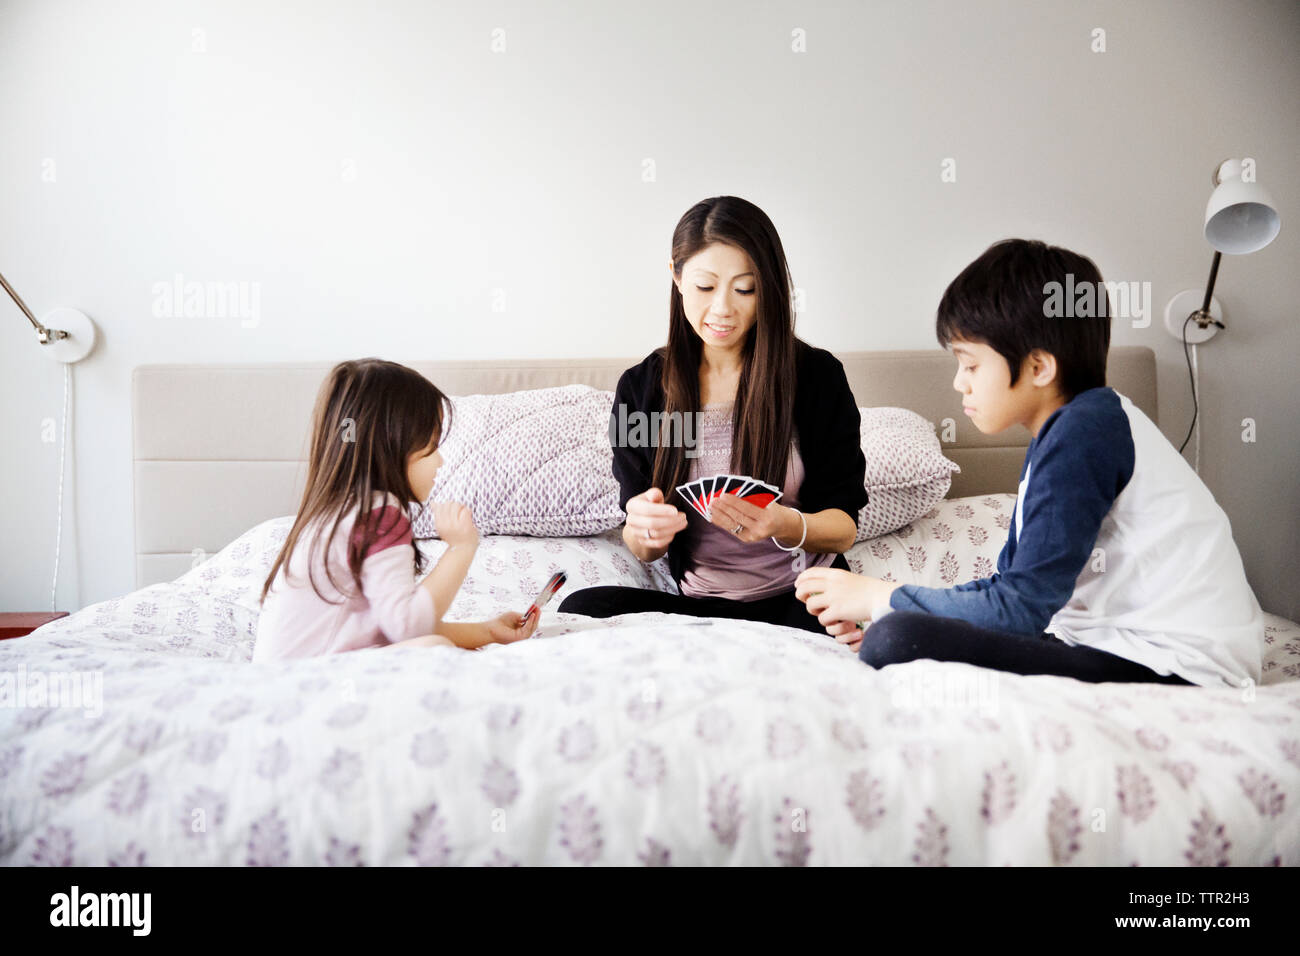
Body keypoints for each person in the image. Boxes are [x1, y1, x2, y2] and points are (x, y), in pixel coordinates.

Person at [796, 238, 1264, 688]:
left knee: (897, 637)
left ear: (1039, 367)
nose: (960, 383)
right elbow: (1008, 591)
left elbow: (1017, 611)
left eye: (971, 364)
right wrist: (882, 604)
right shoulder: (1076, 428)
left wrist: (882, 599)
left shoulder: (1084, 434)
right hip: (1130, 650)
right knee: (897, 632)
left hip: (1178, 668)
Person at [557, 196, 868, 633]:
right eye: (705, 287)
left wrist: (784, 522)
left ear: (770, 289)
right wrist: (645, 530)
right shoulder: (643, 389)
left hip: (805, 598)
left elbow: (844, 528)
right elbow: (640, 544)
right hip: (701, 607)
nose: (723, 308)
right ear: (677, 277)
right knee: (582, 608)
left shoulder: (815, 378)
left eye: (745, 289)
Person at [252, 358, 537, 661]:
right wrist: (461, 548)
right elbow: (409, 627)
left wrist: (488, 632)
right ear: (391, 443)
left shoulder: (335, 514)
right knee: (433, 652)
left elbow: (387, 625)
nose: (440, 461)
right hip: (308, 679)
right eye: (431, 443)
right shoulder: (380, 514)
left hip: (282, 678)